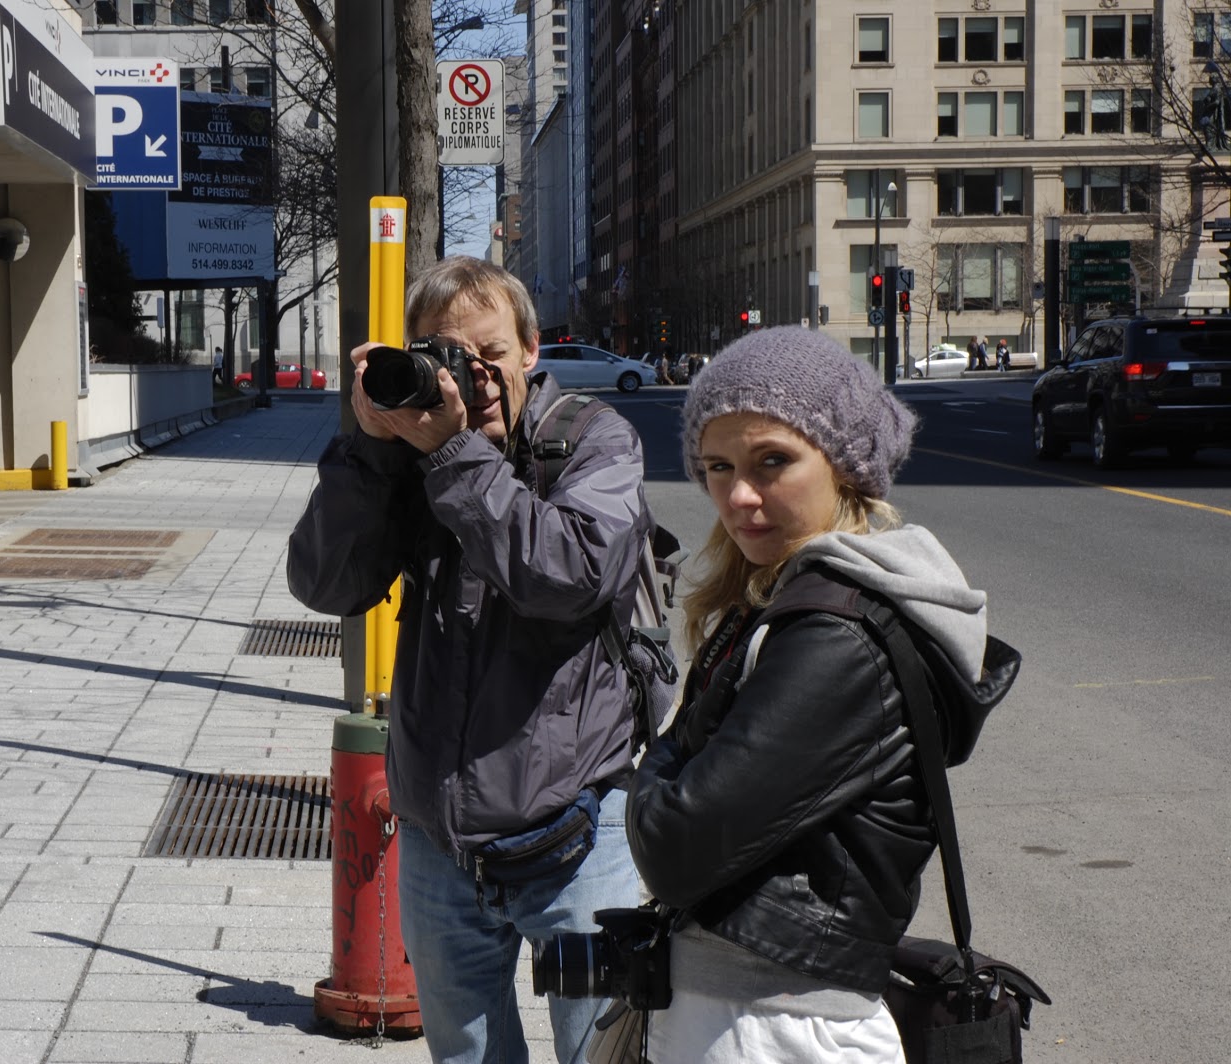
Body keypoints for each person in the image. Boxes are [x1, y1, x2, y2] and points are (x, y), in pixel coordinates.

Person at [288, 256, 650, 1064]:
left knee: (602, 1058)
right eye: (449, 358)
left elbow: (570, 575)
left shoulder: (595, 443)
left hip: (574, 838)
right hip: (438, 851)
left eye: (491, 355)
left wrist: (452, 458)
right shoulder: (416, 460)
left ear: (530, 349)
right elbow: (323, 583)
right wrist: (376, 453)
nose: (474, 380)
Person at [626, 326, 999, 1063]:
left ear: (846, 467)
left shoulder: (838, 636)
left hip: (774, 1027)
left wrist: (656, 764)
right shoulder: (779, 603)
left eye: (773, 462)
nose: (737, 495)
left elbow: (673, 842)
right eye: (717, 466)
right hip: (748, 1012)